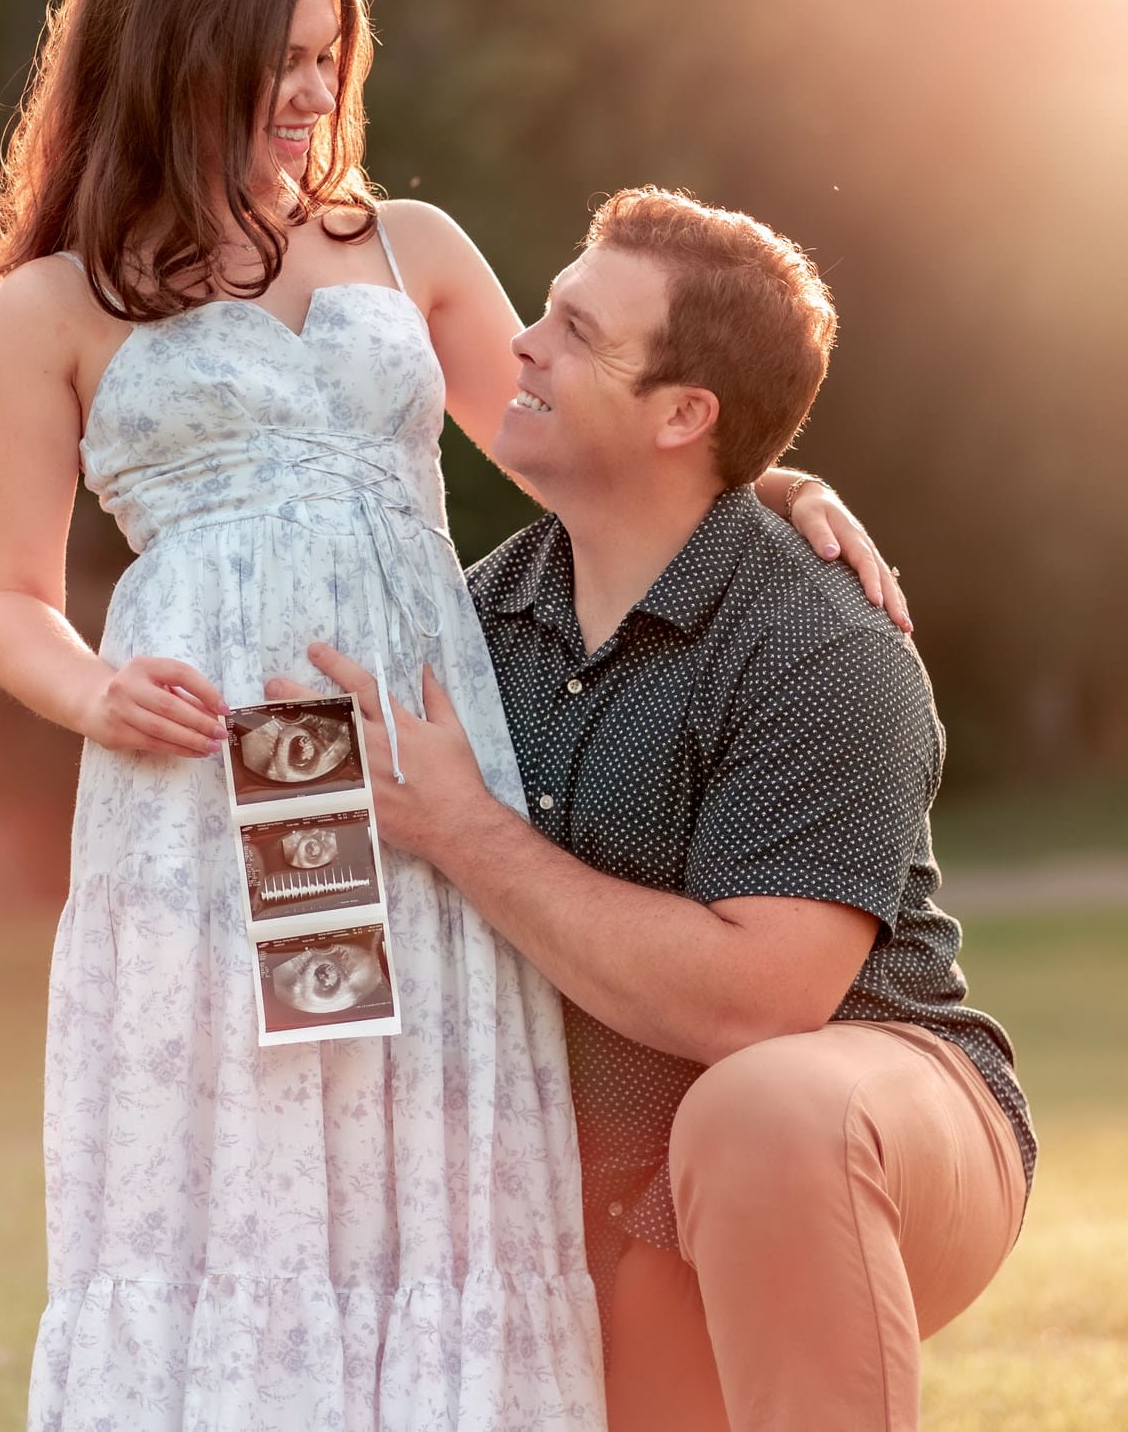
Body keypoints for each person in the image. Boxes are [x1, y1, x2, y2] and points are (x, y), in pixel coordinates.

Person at [0, 0, 903, 1430]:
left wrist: (775, 477)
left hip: (410, 748)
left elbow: (583, 432)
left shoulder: (404, 244)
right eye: (282, 56)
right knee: (261, 1136)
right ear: (174, 55)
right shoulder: (53, 306)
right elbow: (2, 594)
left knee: (428, 1128)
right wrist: (94, 690)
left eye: (334, 53)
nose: (316, 90)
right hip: (216, 767)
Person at [282, 188, 1033, 1432]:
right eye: (544, 312)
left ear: (685, 415)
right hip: (602, 1208)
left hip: (867, 1125)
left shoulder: (820, 640)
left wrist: (466, 830)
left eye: (576, 332)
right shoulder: (454, 629)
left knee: (768, 1110)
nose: (519, 345)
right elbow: (328, 966)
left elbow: (758, 1005)